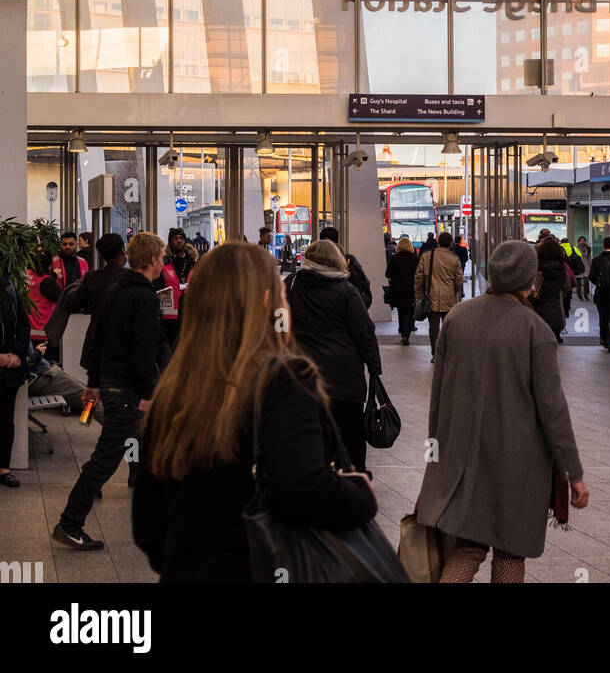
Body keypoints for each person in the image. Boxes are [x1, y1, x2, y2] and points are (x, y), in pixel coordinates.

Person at [132, 243, 376, 583]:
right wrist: (359, 494)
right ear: (265, 302)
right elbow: (303, 490)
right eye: (278, 292)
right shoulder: (284, 380)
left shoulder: (173, 391)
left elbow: (147, 525)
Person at [415, 240, 588, 583]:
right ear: (530, 279)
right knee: (510, 552)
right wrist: (574, 473)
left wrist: (436, 451)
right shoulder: (534, 330)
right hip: (518, 462)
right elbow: (553, 408)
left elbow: (438, 395)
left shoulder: (456, 317)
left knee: (467, 547)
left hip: (463, 455)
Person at [53, 231, 166, 550]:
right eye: (160, 257)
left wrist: (93, 382)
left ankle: (159, 515)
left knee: (144, 449)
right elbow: (143, 351)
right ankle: (70, 522)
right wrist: (147, 394)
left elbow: (99, 337)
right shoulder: (143, 297)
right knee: (106, 458)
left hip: (114, 385)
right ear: (153, 260)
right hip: (129, 392)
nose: (162, 263)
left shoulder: (118, 290)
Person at [288, 238, 382, 473]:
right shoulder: (346, 291)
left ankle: (311, 474)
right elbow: (365, 333)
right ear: (336, 260)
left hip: (303, 374)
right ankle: (353, 474)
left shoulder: (290, 286)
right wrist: (374, 367)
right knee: (349, 431)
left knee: (307, 430)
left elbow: (278, 324)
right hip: (344, 376)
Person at [74, 232, 128, 372]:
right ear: (123, 251)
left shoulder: (91, 278)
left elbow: (75, 303)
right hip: (122, 344)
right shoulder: (130, 277)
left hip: (96, 341)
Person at [28, 341, 104, 426]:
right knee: (91, 400)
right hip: (41, 377)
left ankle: (90, 422)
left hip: (46, 373)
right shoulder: (15, 331)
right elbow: (21, 361)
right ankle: (115, 433)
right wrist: (37, 354)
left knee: (90, 397)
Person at [414, 230, 463, 361]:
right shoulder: (454, 259)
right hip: (449, 297)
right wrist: (455, 291)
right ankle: (447, 353)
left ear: (438, 242)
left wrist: (418, 295)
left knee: (434, 326)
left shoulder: (427, 256)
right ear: (451, 243)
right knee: (448, 326)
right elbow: (459, 280)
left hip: (432, 296)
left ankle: (435, 354)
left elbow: (419, 278)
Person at [0, 273, 29, 487]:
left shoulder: (9, 288)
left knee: (5, 420)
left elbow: (24, 325)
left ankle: (4, 468)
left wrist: (17, 355)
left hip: (10, 368)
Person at [319, 225, 373, 309]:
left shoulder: (315, 265)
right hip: (347, 312)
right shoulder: (349, 262)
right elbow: (364, 285)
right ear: (337, 240)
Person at [531, 236, 568, 342]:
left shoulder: (537, 265)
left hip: (538, 303)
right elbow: (566, 285)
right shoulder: (560, 266)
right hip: (554, 306)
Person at [385, 235, 418, 345]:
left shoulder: (395, 258)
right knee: (409, 312)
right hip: (411, 289)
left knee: (401, 311)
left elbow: (387, 274)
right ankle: (406, 335)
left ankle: (402, 330)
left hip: (397, 290)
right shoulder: (415, 259)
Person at [25, 251, 61, 348]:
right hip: (42, 331)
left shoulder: (27, 274)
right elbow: (62, 299)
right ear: (49, 264)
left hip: (27, 328)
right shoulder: (47, 282)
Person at [589, 236, 610, 351]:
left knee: (603, 317)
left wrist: (599, 283)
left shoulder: (597, 260)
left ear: (604, 245)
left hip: (601, 293)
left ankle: (604, 338)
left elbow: (592, 277)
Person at [575, 236, 591, 301]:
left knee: (586, 281)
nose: (582, 242)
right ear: (578, 241)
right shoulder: (575, 248)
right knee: (578, 282)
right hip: (578, 266)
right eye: (581, 240)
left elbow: (589, 258)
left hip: (586, 266)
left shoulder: (588, 248)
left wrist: (590, 266)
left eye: (583, 240)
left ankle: (585, 294)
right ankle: (579, 295)